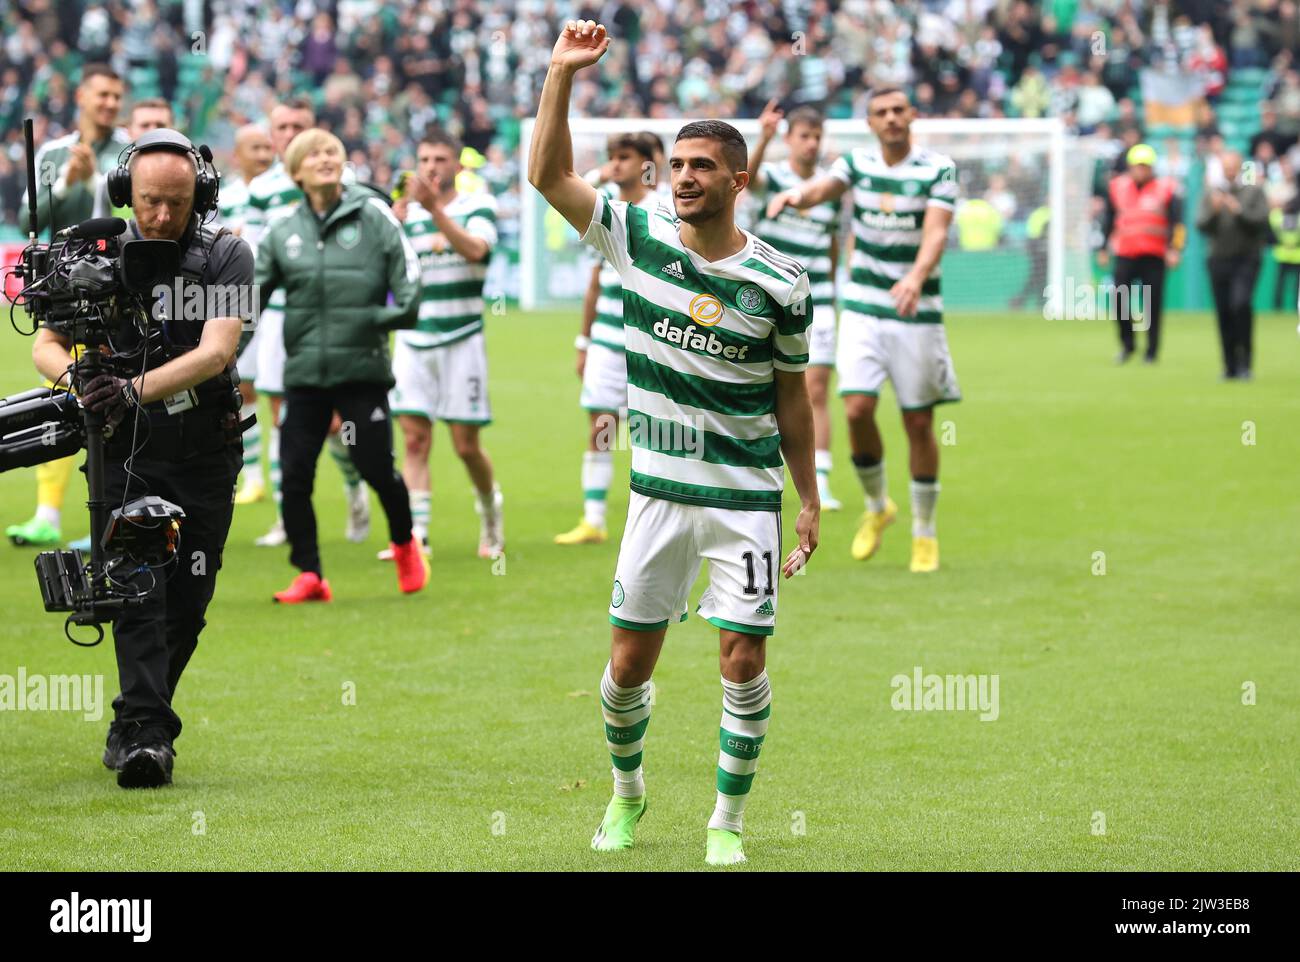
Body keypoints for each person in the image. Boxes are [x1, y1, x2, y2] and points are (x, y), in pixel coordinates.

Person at [529, 20, 819, 867]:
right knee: (625, 669)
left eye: (701, 168)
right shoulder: (637, 238)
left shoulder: (779, 283)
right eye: (678, 166)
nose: (684, 178)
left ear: (736, 177)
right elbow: (548, 174)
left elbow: (791, 399)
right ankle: (627, 797)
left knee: (742, 660)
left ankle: (726, 822)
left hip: (744, 502)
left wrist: (806, 497)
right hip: (658, 497)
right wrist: (561, 73)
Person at [31, 128, 253, 788]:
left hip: (208, 448)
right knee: (137, 585)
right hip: (125, 451)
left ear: (201, 198)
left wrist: (129, 389)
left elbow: (217, 354)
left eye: (176, 204)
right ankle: (149, 739)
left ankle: (133, 719)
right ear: (127, 193)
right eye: (149, 201)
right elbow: (45, 344)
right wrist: (79, 382)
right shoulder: (90, 254)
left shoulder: (229, 255)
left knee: (188, 600)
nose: (160, 216)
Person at [767, 85, 962, 574]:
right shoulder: (855, 164)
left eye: (899, 110)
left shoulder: (937, 169)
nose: (892, 118)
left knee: (918, 421)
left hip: (917, 310)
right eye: (881, 112)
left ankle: (924, 531)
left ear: (912, 114)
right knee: (855, 408)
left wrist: (916, 277)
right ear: (870, 122)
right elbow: (821, 190)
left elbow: (936, 231)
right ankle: (878, 508)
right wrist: (795, 195)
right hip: (862, 307)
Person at [254, 129, 428, 603]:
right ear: (296, 172)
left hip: (363, 373)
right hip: (305, 376)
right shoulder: (282, 229)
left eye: (332, 151)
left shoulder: (374, 215)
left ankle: (404, 543)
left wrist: (384, 318)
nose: (325, 159)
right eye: (314, 154)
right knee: (293, 475)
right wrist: (221, 349)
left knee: (375, 467)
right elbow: (250, 299)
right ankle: (310, 573)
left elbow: (409, 274)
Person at [7, 64, 129, 550]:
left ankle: (117, 513)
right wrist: (66, 187)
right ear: (81, 96)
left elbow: (138, 215)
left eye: (116, 96)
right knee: (63, 395)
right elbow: (27, 217)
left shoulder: (130, 151)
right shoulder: (54, 153)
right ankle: (48, 515)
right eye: (102, 94)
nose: (109, 104)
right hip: (65, 289)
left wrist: (89, 187)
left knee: (120, 396)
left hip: (120, 291)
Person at [243, 99, 369, 547]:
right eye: (283, 126)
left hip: (336, 319)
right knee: (283, 418)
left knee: (337, 422)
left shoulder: (343, 180)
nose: (291, 133)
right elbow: (254, 260)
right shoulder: (262, 189)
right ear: (273, 135)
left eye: (300, 125)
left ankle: (355, 488)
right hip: (281, 318)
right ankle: (287, 517)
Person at [385, 131, 505, 560]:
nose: (432, 166)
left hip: (461, 339)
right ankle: (417, 536)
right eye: (424, 159)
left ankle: (492, 516)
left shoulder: (478, 205)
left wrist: (435, 211)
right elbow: (386, 278)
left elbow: (477, 251)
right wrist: (392, 226)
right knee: (415, 441)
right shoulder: (405, 215)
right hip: (415, 340)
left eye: (440, 158)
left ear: (457, 164)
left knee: (465, 446)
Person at [554, 131, 663, 545]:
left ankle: (652, 517)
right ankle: (594, 519)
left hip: (649, 340)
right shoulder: (600, 211)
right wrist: (583, 342)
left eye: (625, 157)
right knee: (601, 423)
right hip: (604, 338)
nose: (616, 165)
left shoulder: (663, 212)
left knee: (650, 429)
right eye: (612, 157)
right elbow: (594, 281)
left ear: (648, 163)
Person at [748, 101, 844, 511]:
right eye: (804, 136)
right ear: (790, 139)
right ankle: (758, 470)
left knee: (816, 389)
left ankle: (820, 480)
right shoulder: (772, 179)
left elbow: (834, 243)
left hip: (817, 302)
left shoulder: (830, 190)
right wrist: (763, 137)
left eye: (817, 137)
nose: (811, 144)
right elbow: (745, 180)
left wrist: (832, 287)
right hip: (768, 303)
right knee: (762, 388)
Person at [218, 124, 275, 504]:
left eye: (268, 147)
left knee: (281, 395)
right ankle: (253, 475)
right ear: (237, 155)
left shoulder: (281, 191)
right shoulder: (229, 197)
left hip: (279, 298)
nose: (264, 154)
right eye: (255, 147)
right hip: (246, 300)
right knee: (243, 389)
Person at [1098, 143, 1185, 364]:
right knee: (1118, 297)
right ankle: (1127, 344)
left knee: (1152, 304)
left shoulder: (1166, 188)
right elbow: (1109, 219)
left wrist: (1175, 249)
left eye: (1145, 166)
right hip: (1126, 253)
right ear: (1130, 166)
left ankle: (1152, 350)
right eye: (1138, 166)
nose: (1141, 170)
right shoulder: (1117, 187)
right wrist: (1103, 248)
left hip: (1154, 255)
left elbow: (1178, 224)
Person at [1196, 150, 1270, 380]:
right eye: (1225, 166)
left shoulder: (1253, 191)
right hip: (1218, 259)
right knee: (1223, 311)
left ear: (1239, 167)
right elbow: (1201, 225)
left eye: (1232, 166)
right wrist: (1215, 211)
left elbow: (1260, 222)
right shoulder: (1212, 193)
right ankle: (1229, 366)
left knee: (1240, 304)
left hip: (1246, 258)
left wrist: (1238, 210)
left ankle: (1245, 362)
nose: (1228, 171)